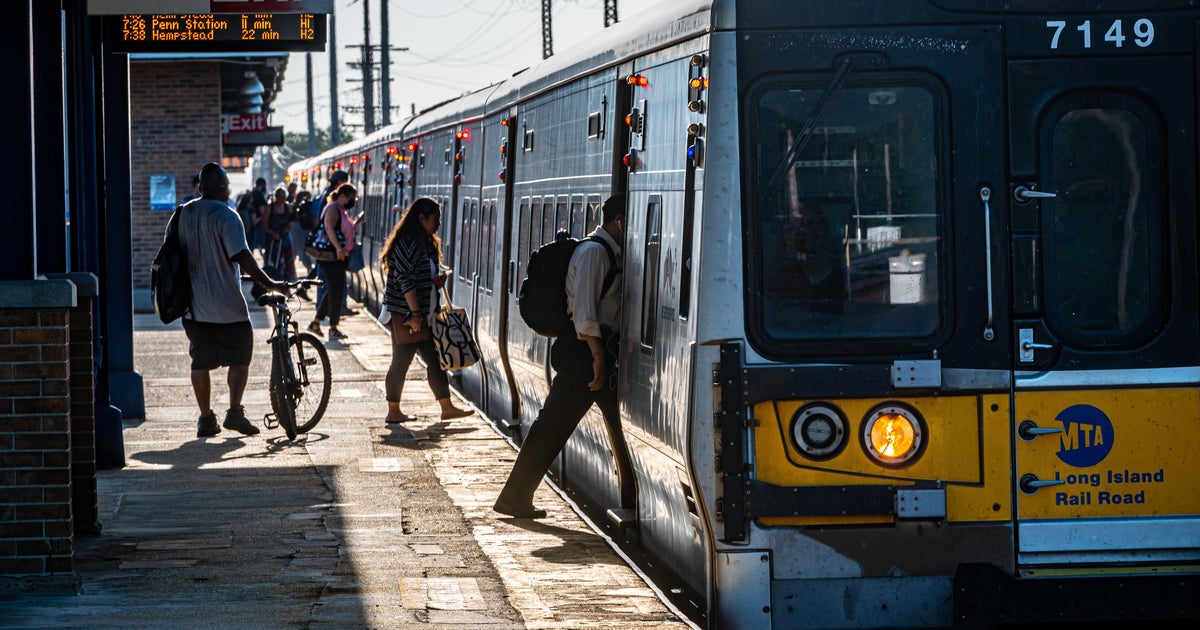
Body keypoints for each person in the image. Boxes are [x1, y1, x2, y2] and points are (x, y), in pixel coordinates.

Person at [493, 195, 630, 519]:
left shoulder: (606, 251)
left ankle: (632, 499)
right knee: (551, 426)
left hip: (595, 352)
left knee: (617, 425)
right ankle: (514, 497)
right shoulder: (595, 253)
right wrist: (597, 357)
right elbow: (584, 314)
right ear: (619, 220)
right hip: (584, 353)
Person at [177, 162, 287, 438]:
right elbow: (242, 256)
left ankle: (205, 418)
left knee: (199, 361)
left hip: (193, 306)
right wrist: (270, 282)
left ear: (200, 188)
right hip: (228, 306)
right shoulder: (228, 216)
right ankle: (234, 412)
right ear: (225, 188)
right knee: (240, 357)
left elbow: (171, 254)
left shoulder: (182, 214)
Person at [378, 197, 473, 423]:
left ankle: (446, 407)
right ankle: (393, 411)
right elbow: (405, 281)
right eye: (435, 218)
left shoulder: (426, 242)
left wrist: (437, 281)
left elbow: (424, 274)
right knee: (401, 362)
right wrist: (415, 315)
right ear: (421, 218)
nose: (438, 223)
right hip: (406, 315)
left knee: (434, 359)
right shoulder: (408, 243)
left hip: (424, 314)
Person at [307, 183, 361, 340]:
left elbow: (343, 229)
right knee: (336, 292)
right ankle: (332, 328)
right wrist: (338, 248)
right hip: (331, 256)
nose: (352, 201)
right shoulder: (333, 208)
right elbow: (329, 229)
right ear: (343, 196)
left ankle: (316, 323)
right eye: (351, 198)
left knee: (333, 290)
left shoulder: (341, 210)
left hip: (338, 257)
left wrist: (355, 222)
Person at [260, 187, 296, 282]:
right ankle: (271, 278)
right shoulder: (270, 207)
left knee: (289, 258)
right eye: (280, 197)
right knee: (271, 259)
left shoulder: (287, 206)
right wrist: (272, 233)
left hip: (285, 237)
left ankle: (289, 278)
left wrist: (288, 227)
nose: (282, 200)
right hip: (272, 238)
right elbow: (264, 223)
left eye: (284, 197)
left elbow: (291, 220)